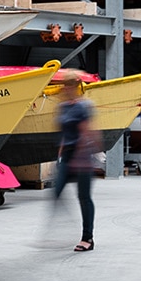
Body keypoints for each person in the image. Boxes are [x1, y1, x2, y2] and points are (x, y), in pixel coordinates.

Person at [52, 69, 99, 251]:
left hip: (82, 155)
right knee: (56, 191)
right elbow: (64, 133)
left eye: (68, 85)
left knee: (84, 197)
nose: (65, 88)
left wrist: (85, 156)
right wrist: (59, 156)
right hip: (67, 154)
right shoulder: (62, 107)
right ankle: (62, 231)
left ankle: (88, 238)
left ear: (75, 87)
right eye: (64, 85)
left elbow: (87, 132)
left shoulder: (83, 106)